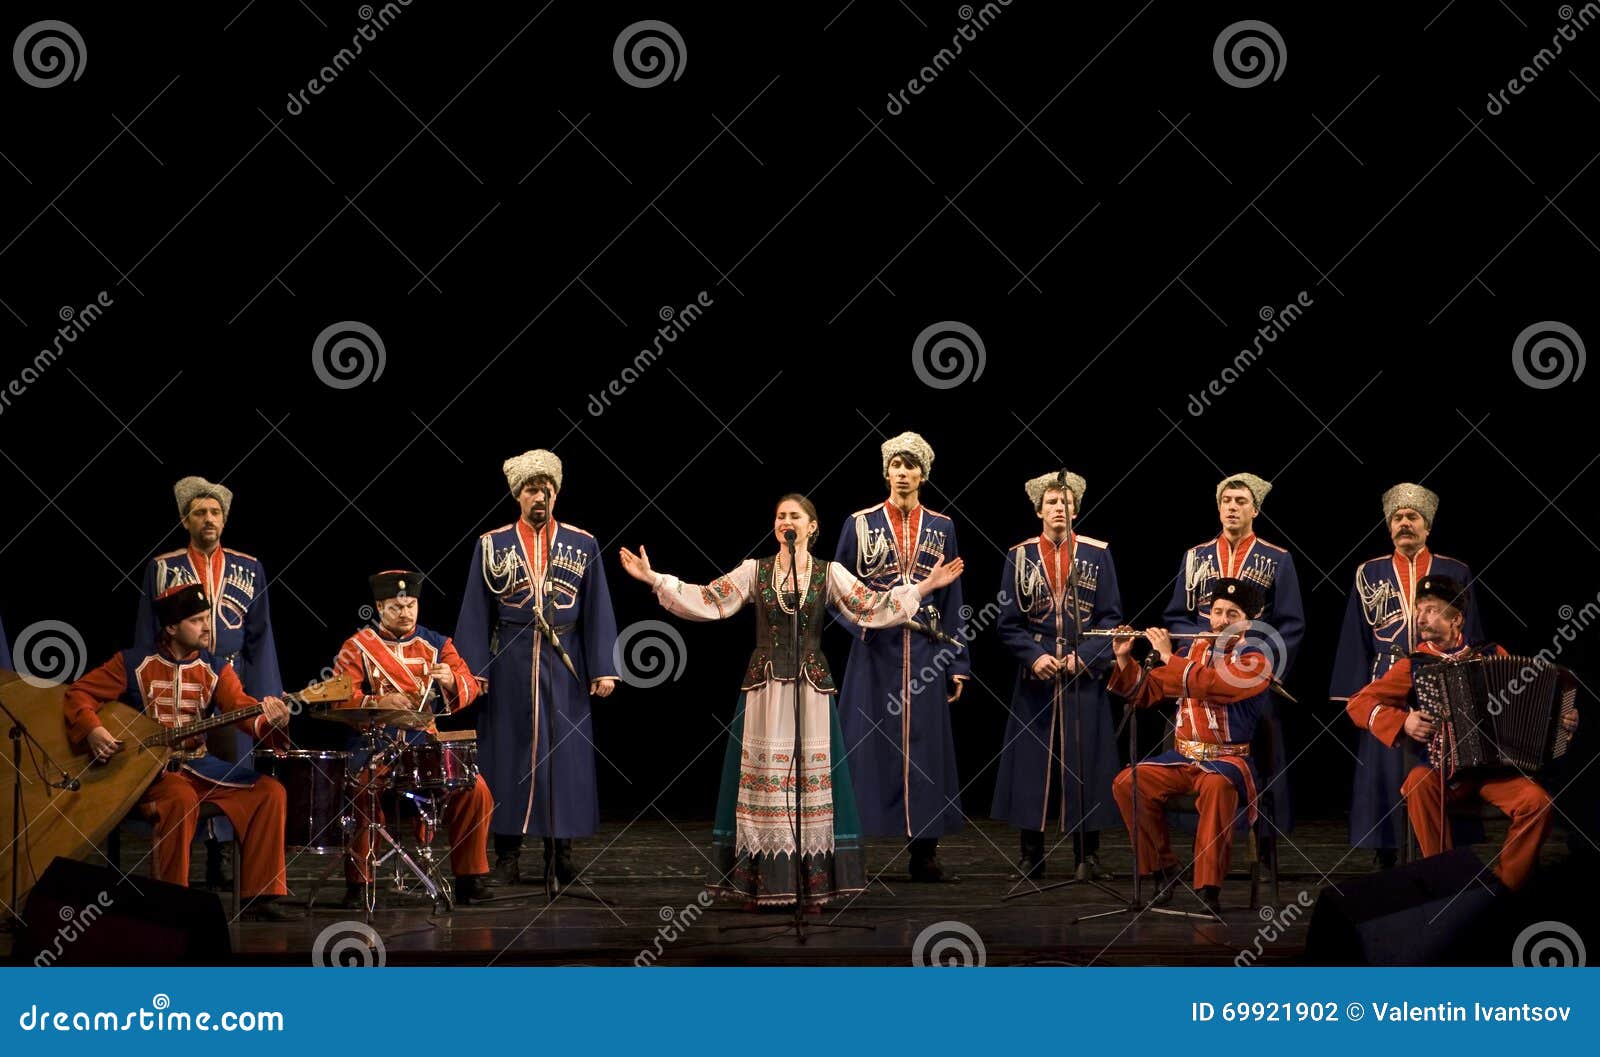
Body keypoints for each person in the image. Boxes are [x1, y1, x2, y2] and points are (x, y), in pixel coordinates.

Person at [619, 493, 964, 907]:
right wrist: (656, 579)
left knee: (809, 782)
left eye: (795, 516)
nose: (787, 521)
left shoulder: (829, 573)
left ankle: (812, 884)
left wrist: (924, 586)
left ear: (811, 526)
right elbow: (710, 598)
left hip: (811, 689)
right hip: (765, 689)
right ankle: (760, 882)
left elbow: (870, 607)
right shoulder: (756, 570)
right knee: (767, 776)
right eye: (781, 515)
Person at [62, 584, 294, 919]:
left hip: (200, 767)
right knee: (180, 798)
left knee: (269, 792)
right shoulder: (132, 662)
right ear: (171, 627)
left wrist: (272, 720)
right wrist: (93, 730)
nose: (207, 627)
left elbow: (243, 709)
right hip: (147, 774)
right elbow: (78, 694)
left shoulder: (217, 668)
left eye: (207, 618)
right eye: (197, 620)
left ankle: (259, 897)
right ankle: (170, 902)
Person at [1345, 575, 1576, 891]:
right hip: (1444, 773)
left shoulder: (1492, 653)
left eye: (1431, 610)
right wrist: (1404, 721)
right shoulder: (1414, 665)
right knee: (1416, 782)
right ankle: (1446, 881)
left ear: (1456, 619)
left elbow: (1533, 702)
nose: (1421, 617)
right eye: (1419, 610)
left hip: (1494, 772)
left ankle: (1505, 887)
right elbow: (1358, 703)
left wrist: (1562, 719)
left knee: (1538, 803)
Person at [456, 450, 618, 891]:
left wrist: (603, 667)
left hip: (565, 662)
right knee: (506, 755)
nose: (538, 496)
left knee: (564, 757)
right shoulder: (491, 544)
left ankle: (561, 854)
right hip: (509, 659)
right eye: (531, 489)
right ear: (518, 495)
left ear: (556, 494)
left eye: (545, 489)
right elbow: (475, 609)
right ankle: (506, 855)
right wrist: (474, 671)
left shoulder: (582, 543)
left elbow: (598, 607)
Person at [834, 431, 969, 882]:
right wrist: (864, 628)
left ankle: (924, 853)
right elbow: (837, 590)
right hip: (874, 652)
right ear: (886, 471)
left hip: (926, 651)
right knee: (864, 748)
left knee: (926, 751)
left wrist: (958, 662)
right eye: (896, 465)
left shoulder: (943, 527)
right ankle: (850, 851)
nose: (903, 473)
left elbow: (953, 600)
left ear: (923, 474)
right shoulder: (859, 523)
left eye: (911, 466)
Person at [135, 476, 283, 887]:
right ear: (186, 520)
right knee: (183, 769)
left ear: (225, 519)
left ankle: (228, 863)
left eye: (215, 512)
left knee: (235, 768)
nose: (209, 519)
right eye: (200, 512)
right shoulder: (163, 568)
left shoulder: (248, 567)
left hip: (231, 676)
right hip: (180, 676)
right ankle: (187, 864)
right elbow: (147, 630)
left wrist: (265, 697)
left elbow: (261, 634)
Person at [1331, 483, 1481, 868]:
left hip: (1443, 675)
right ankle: (1386, 850)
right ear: (1389, 526)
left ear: (1427, 526)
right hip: (1388, 677)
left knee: (1442, 762)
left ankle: (1444, 852)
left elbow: (1470, 631)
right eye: (1397, 517)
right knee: (1384, 766)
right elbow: (1355, 634)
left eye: (1412, 517)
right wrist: (1355, 691)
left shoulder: (1455, 570)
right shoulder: (1369, 572)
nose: (1404, 523)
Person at [1109, 579, 1276, 914]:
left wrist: (1168, 656)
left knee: (1216, 787)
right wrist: (1124, 658)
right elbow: (1146, 693)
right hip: (1183, 758)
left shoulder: (1255, 659)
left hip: (1228, 762)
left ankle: (1208, 888)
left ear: (1247, 621)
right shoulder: (1191, 653)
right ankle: (1163, 869)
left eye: (1232, 614)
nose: (1222, 620)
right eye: (1217, 612)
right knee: (1128, 782)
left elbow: (1213, 685)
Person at [329, 571, 495, 907]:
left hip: (425, 744)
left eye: (411, 605)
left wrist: (450, 680)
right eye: (396, 606)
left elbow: (471, 685)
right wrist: (378, 702)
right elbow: (338, 698)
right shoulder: (357, 646)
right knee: (362, 788)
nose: (405, 613)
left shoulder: (438, 644)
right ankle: (359, 882)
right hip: (375, 744)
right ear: (380, 607)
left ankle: (470, 878)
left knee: (476, 789)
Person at [991, 469, 1122, 881]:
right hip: (1037, 677)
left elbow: (1111, 619)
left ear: (1075, 509)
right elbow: (1007, 623)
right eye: (1051, 502)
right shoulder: (1019, 555)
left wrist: (1083, 658)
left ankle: (1089, 854)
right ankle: (1031, 854)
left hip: (1084, 675)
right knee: (1032, 765)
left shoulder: (1098, 554)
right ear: (1039, 510)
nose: (1059, 508)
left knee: (1087, 764)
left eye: (1065, 502)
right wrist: (1034, 657)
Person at [1163, 472, 1304, 676]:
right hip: (1199, 661)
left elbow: (1290, 624)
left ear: (1255, 510)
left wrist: (1261, 658)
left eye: (1241, 501)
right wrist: (1199, 640)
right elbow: (1177, 616)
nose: (1232, 507)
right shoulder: (1195, 556)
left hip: (1250, 662)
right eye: (1226, 500)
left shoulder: (1278, 558)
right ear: (1219, 508)